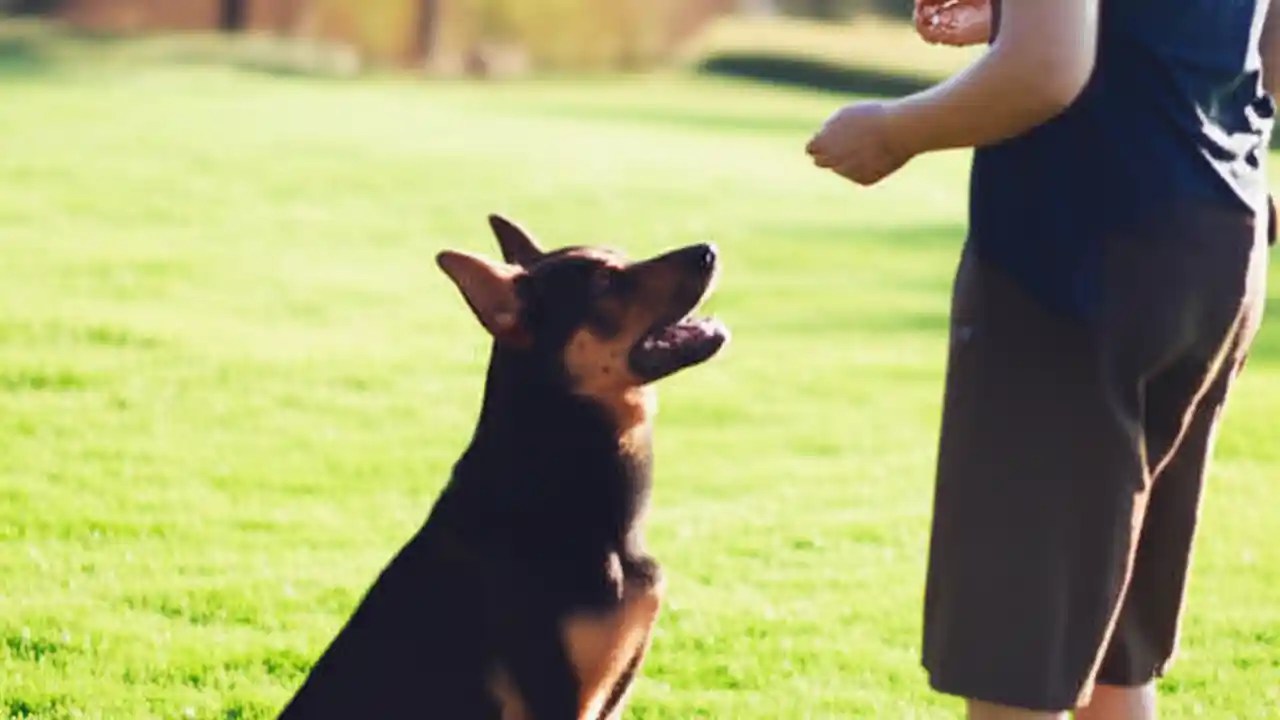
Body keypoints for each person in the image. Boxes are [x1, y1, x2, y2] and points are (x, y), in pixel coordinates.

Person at [806, 1, 1277, 719]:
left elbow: (1045, 70)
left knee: (1019, 662)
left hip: (1076, 259)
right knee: (1112, 650)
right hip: (1215, 242)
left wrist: (892, 130)